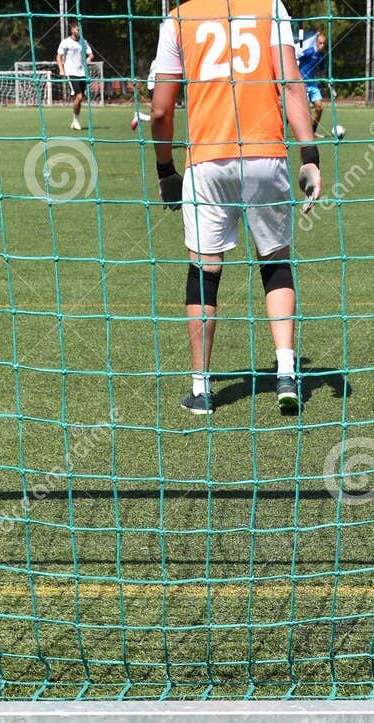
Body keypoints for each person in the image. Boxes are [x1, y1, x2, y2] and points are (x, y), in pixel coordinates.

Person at [149, 0, 322, 417]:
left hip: (207, 160)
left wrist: (165, 170)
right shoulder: (270, 7)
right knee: (275, 263)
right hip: (265, 153)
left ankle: (202, 389)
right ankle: (285, 371)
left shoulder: (178, 17)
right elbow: (292, 83)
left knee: (204, 272)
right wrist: (310, 155)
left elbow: (159, 110)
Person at [56, 22, 91, 132]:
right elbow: (58, 57)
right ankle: (76, 120)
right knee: (79, 96)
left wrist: (89, 59)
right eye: (77, 29)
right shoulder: (65, 42)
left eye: (80, 29)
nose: (79, 31)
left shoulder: (83, 42)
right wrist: (61, 69)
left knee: (79, 99)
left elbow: (90, 54)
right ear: (72, 30)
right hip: (71, 72)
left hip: (82, 73)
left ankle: (75, 120)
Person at [296, 27, 326, 132]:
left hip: (312, 84)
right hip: (302, 84)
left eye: (324, 44)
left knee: (320, 107)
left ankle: (313, 130)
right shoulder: (308, 52)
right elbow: (295, 58)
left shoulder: (321, 56)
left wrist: (331, 87)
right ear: (316, 42)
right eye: (320, 43)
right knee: (305, 110)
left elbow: (322, 73)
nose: (322, 46)